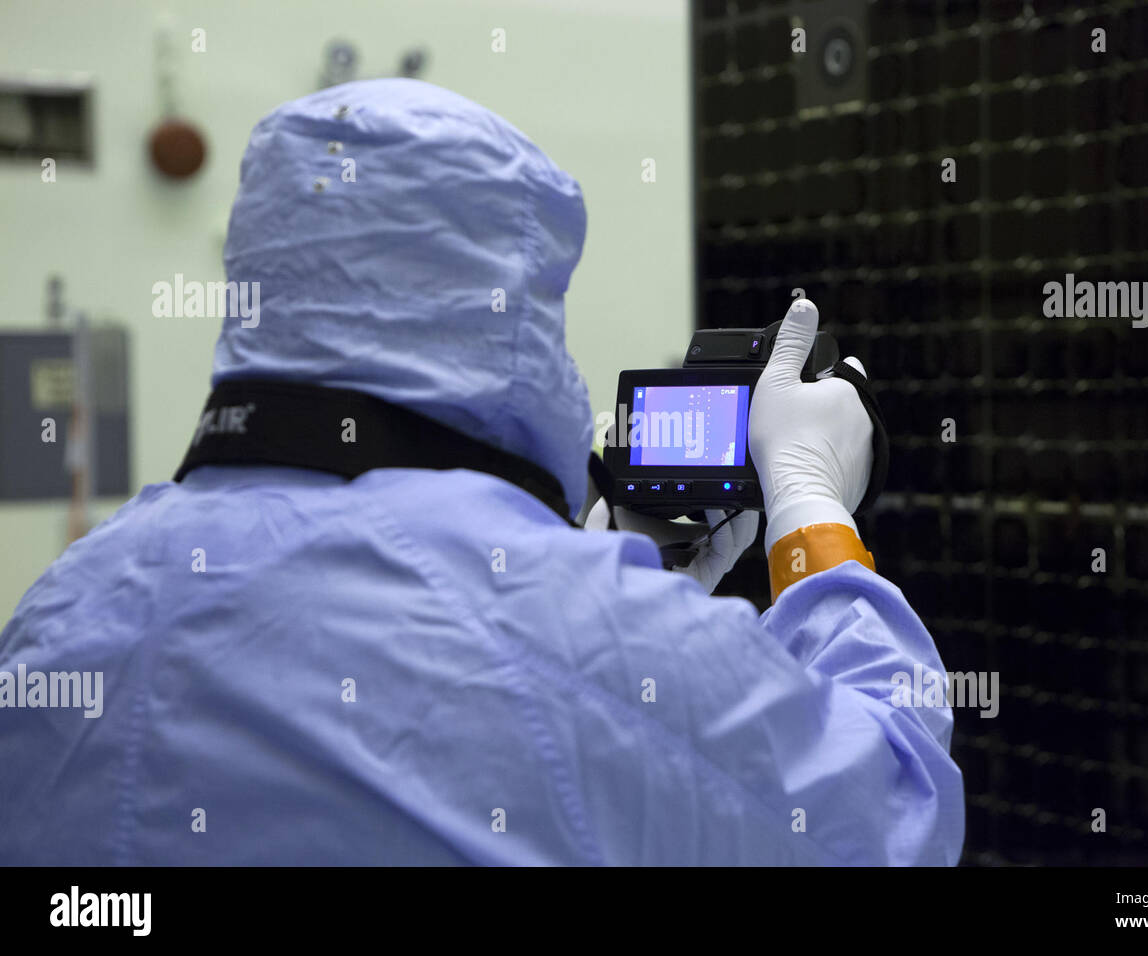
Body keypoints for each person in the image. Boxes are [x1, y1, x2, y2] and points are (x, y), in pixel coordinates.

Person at [0, 78, 962, 865]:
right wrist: (807, 504)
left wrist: (593, 585)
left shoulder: (58, 614)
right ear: (502, 316)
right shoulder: (588, 643)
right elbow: (887, 812)